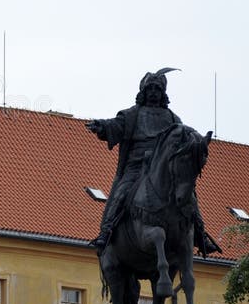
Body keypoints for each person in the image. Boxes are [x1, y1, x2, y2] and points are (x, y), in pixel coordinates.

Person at [86, 69, 216, 257]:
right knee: (121, 193)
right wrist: (101, 126)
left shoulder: (172, 118)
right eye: (150, 89)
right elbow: (116, 124)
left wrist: (199, 140)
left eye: (157, 89)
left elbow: (186, 133)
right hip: (136, 166)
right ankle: (106, 233)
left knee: (189, 196)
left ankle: (200, 235)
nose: (154, 92)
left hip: (164, 168)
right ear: (144, 92)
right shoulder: (133, 114)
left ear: (163, 93)